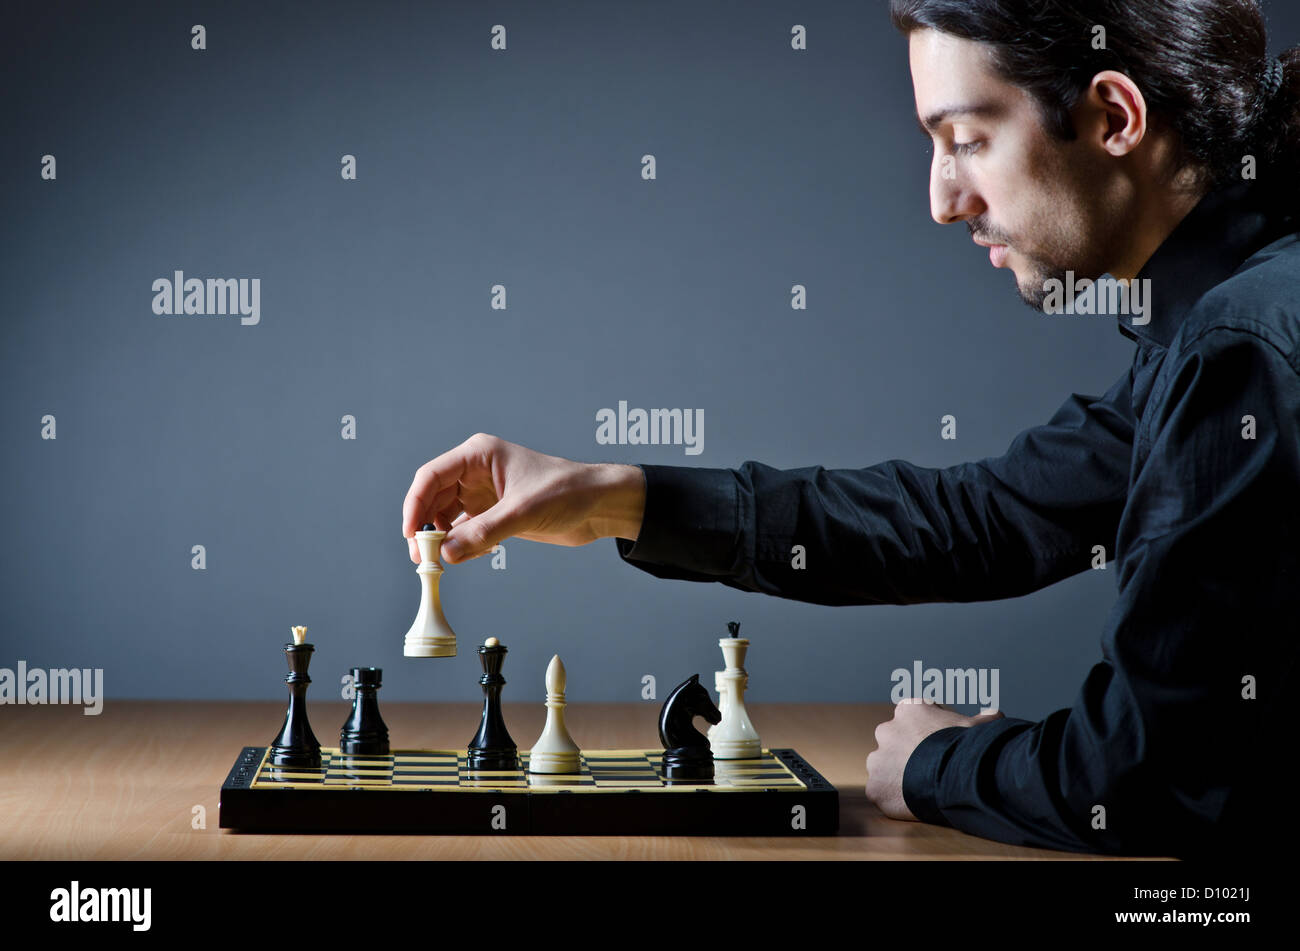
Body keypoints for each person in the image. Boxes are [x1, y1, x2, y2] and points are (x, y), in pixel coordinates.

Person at [402, 0, 1300, 856]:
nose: (944, 200)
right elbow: (985, 518)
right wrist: (612, 499)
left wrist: (934, 764)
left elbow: (1150, 778)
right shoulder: (1226, 312)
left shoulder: (1242, 342)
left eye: (967, 140)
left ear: (1113, 116)